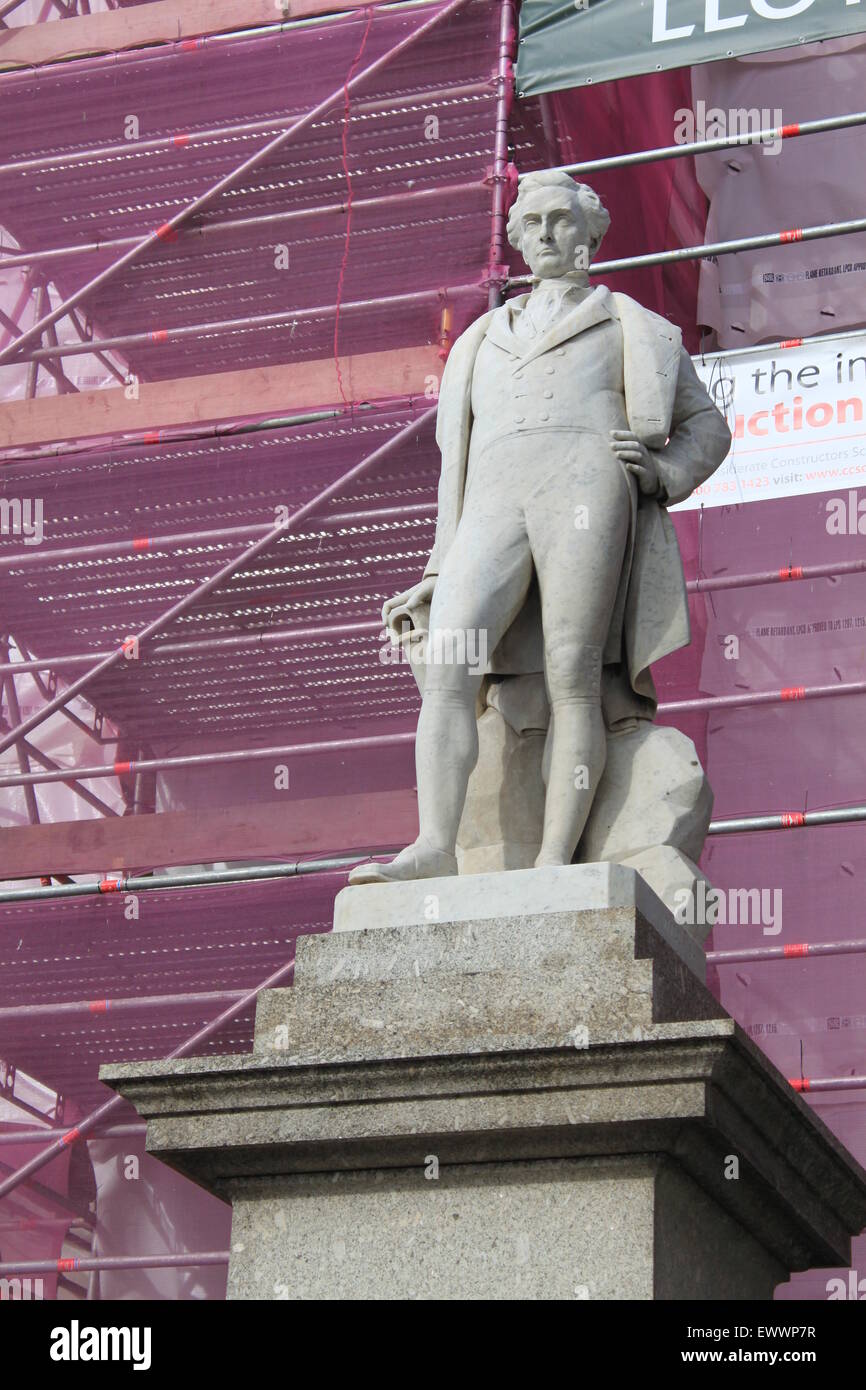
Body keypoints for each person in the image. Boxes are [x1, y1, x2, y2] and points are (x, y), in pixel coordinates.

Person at [349, 172, 731, 884]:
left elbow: (707, 427)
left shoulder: (632, 325)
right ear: (518, 239)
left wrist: (662, 472)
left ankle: (557, 859)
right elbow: (452, 470)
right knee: (449, 668)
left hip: (587, 487)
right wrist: (434, 570)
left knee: (574, 677)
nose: (548, 234)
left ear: (590, 233)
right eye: (533, 223)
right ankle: (435, 845)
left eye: (561, 220)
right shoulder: (477, 341)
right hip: (492, 501)